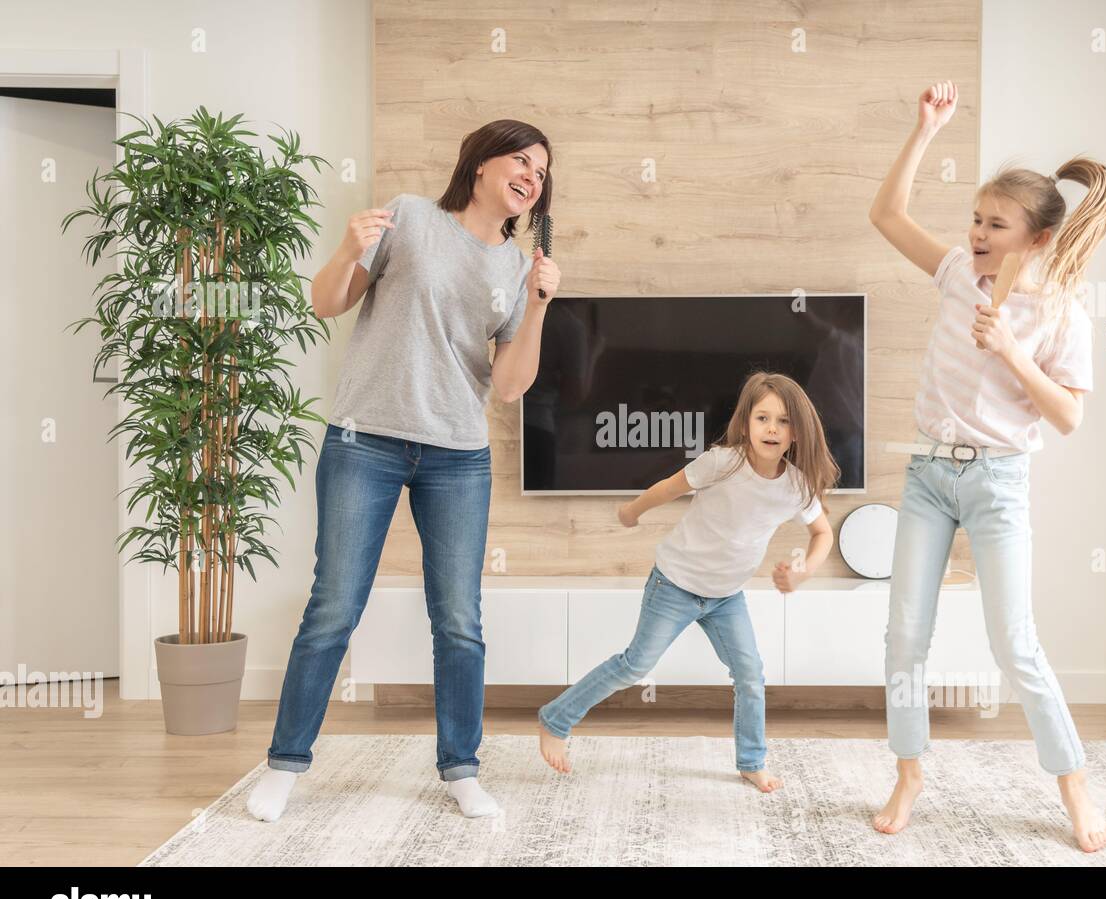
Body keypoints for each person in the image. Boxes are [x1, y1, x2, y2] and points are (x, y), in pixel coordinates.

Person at [247, 119, 561, 822]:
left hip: (458, 453)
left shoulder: (514, 269)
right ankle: (284, 764)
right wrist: (347, 247)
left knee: (458, 618)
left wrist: (539, 304)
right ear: (480, 162)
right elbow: (326, 301)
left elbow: (509, 385)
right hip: (366, 440)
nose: (532, 176)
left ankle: (461, 768)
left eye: (542, 172)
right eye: (521, 160)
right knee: (334, 605)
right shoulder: (412, 217)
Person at [868, 81, 1106, 851]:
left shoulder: (1060, 314)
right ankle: (909, 768)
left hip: (998, 482)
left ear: (1035, 239)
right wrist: (924, 130)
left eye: (994, 224)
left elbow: (1069, 415)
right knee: (905, 634)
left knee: (1015, 643)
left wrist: (1011, 349)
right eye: (975, 218)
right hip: (927, 478)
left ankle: (1072, 780)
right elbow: (886, 216)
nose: (976, 232)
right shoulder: (952, 275)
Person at [538, 372, 839, 792]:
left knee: (750, 674)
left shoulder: (796, 485)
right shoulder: (722, 462)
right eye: (763, 418)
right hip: (675, 584)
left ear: (797, 432)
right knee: (635, 665)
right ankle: (555, 720)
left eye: (784, 421)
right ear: (746, 422)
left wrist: (803, 571)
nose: (772, 429)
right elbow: (669, 488)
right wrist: (633, 510)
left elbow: (822, 534)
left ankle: (751, 761)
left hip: (725, 596)